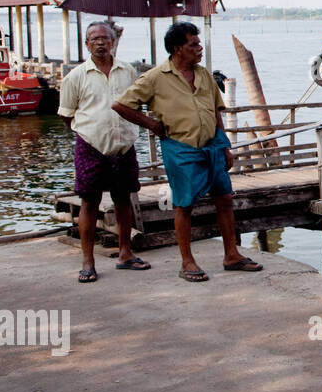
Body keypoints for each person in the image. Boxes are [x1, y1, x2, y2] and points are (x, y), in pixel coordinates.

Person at [112, 22, 262, 282]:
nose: (199, 48)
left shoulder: (203, 74)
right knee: (184, 205)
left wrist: (224, 145)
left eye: (198, 43)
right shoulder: (155, 78)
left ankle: (231, 255)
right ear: (177, 49)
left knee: (224, 199)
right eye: (193, 44)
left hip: (212, 146)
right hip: (181, 149)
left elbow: (215, 110)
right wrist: (152, 125)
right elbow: (121, 104)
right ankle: (187, 262)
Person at [58, 21, 151, 282]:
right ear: (87, 44)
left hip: (124, 146)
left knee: (124, 200)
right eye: (94, 39)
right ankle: (88, 261)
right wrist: (91, 132)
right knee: (90, 202)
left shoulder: (128, 71)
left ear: (113, 42)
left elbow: (136, 105)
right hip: (91, 147)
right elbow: (67, 116)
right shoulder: (75, 77)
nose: (100, 43)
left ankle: (126, 253)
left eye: (104, 38)